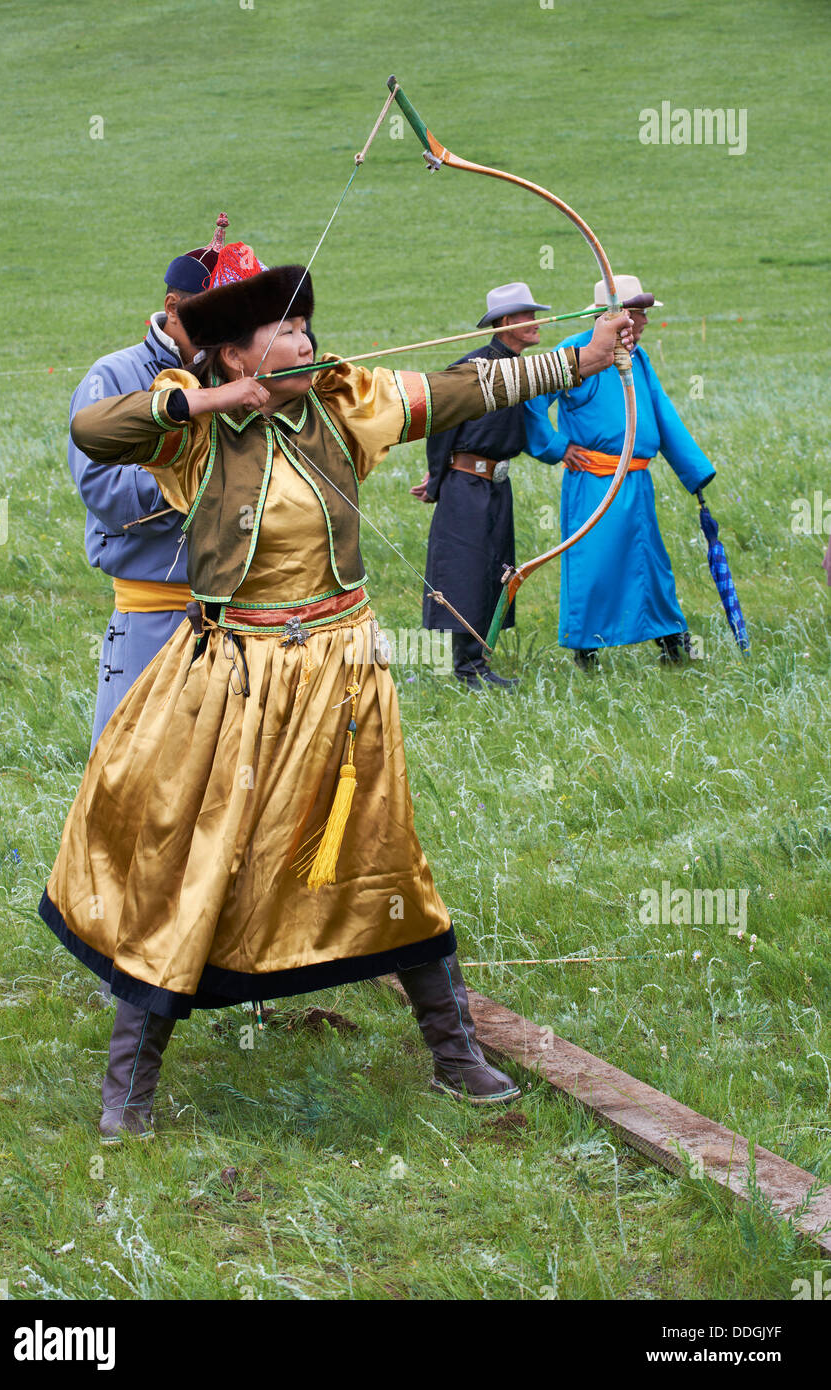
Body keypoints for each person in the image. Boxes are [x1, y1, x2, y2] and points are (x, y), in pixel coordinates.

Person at [39, 263, 632, 1136]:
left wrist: (586, 354)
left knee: (383, 849)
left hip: (342, 675)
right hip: (236, 678)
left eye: (307, 325)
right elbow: (95, 428)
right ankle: (129, 1085)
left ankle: (452, 1049)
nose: (306, 339)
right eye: (284, 330)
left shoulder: (345, 401)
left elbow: (470, 386)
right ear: (236, 353)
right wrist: (206, 402)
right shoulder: (191, 432)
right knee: (194, 858)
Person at [69, 214, 237, 751]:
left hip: (231, 615)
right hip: (150, 615)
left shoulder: (232, 377)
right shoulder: (112, 377)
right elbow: (105, 492)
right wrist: (194, 477)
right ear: (172, 307)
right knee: (132, 769)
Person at [524, 274, 716, 669]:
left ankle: (671, 642)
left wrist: (695, 473)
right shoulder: (573, 352)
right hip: (594, 482)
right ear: (616, 315)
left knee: (650, 563)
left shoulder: (639, 357)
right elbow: (529, 404)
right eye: (639, 314)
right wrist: (559, 447)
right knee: (595, 562)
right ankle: (586, 649)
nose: (645, 322)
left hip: (637, 481)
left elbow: (661, 412)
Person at [416, 282, 551, 689]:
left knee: (494, 569)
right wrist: (438, 479)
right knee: (467, 572)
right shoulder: (473, 369)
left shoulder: (519, 370)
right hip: (466, 486)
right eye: (529, 316)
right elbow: (440, 425)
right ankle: (468, 669)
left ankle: (478, 661)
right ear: (507, 322)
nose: (536, 322)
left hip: (496, 486)